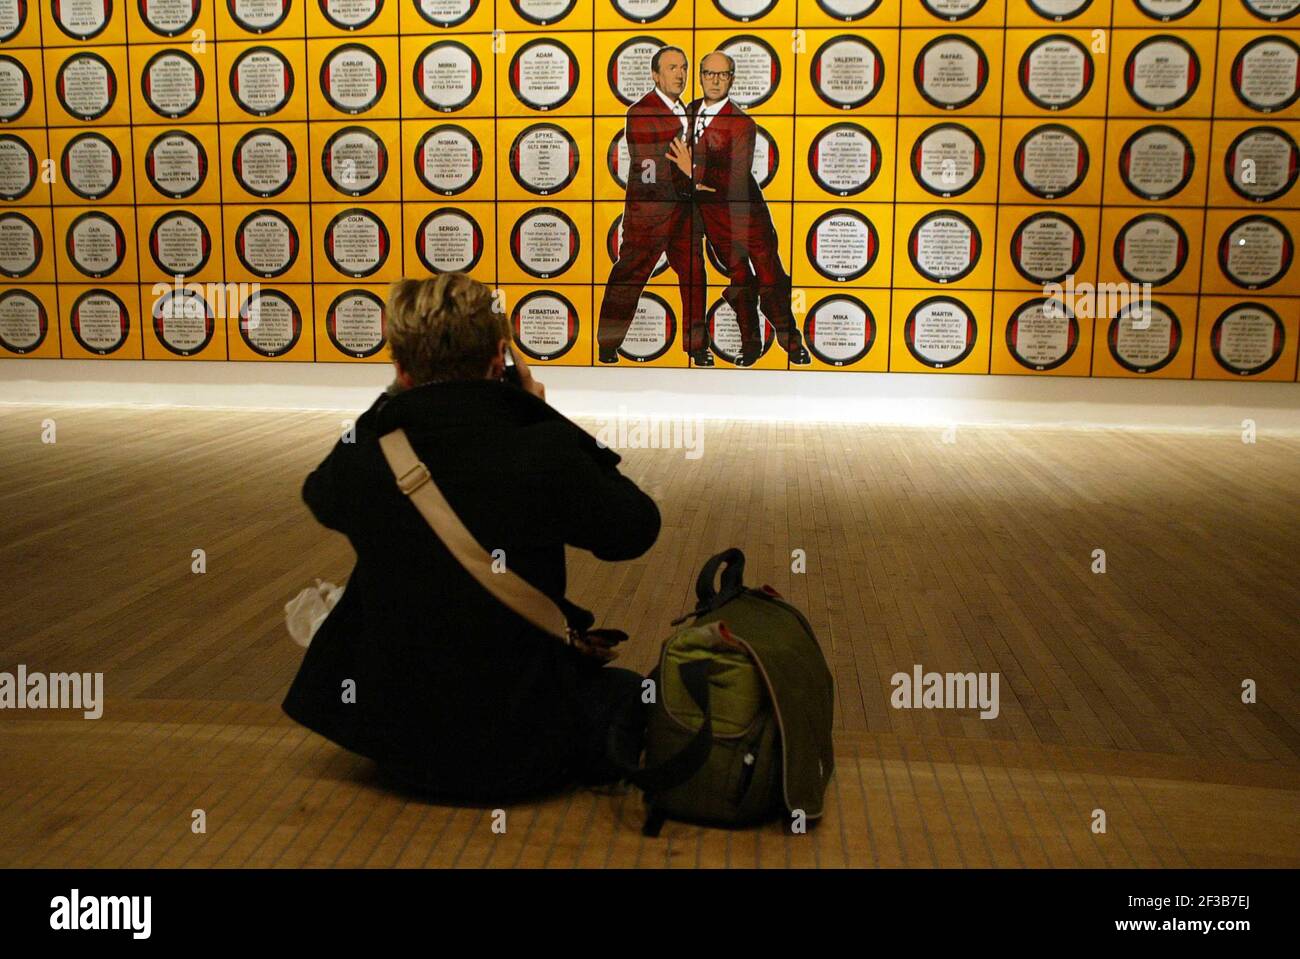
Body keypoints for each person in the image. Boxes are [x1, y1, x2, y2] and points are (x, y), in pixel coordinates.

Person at [282, 273, 661, 803]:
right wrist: (541, 413)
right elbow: (636, 529)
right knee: (635, 694)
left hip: (403, 754)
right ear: (500, 356)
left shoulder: (369, 457)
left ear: (398, 368)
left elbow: (320, 492)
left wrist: (392, 400)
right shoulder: (540, 449)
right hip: (527, 758)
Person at [681, 51, 811, 366]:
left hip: (749, 217)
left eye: (722, 75)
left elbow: (734, 180)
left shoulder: (742, 124)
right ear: (699, 76)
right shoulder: (690, 111)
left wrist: (692, 172)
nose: (714, 80)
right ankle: (750, 346)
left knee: (770, 277)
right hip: (716, 220)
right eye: (708, 74)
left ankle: (791, 343)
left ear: (732, 79)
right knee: (739, 280)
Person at [597, 45, 712, 366]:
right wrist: (690, 170)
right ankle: (607, 344)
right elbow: (653, 166)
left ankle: (697, 346)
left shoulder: (690, 111)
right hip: (649, 215)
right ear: (655, 74)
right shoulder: (640, 111)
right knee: (629, 276)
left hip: (685, 213)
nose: (680, 74)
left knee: (694, 277)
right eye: (673, 68)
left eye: (684, 68)